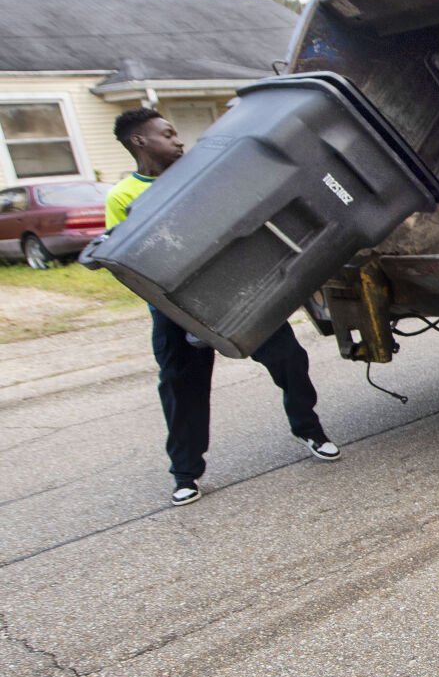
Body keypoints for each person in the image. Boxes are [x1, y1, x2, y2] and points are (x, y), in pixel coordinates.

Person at [106, 108, 341, 507]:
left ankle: (310, 430)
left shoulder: (203, 174)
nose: (179, 140)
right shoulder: (123, 196)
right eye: (168, 133)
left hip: (237, 293)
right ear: (140, 141)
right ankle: (185, 474)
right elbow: (125, 262)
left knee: (289, 359)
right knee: (182, 389)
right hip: (176, 309)